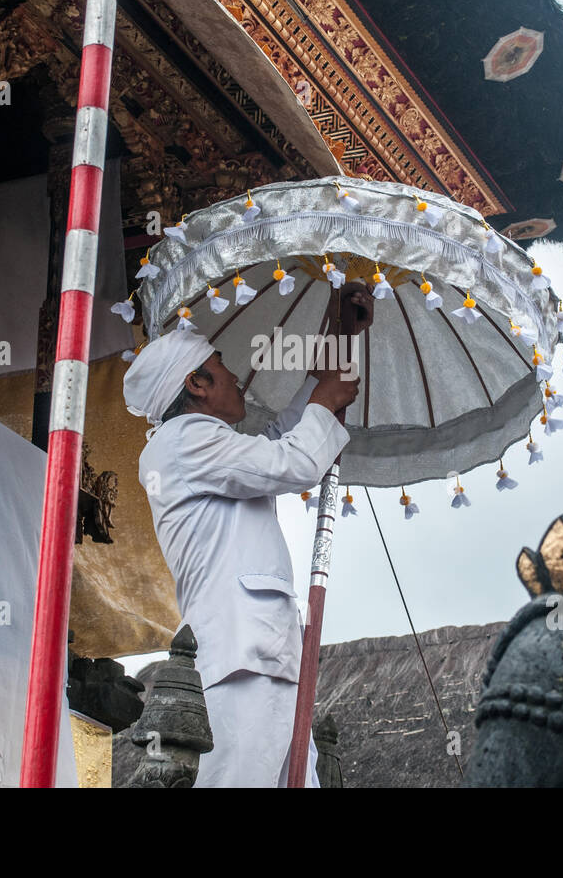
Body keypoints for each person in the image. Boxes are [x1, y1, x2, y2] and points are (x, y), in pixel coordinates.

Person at [124, 282, 374, 787]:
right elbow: (294, 460)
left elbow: (281, 441)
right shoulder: (182, 443)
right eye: (221, 366)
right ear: (196, 384)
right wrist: (324, 397)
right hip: (242, 655)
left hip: (263, 651)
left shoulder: (202, 444)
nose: (235, 376)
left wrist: (336, 334)